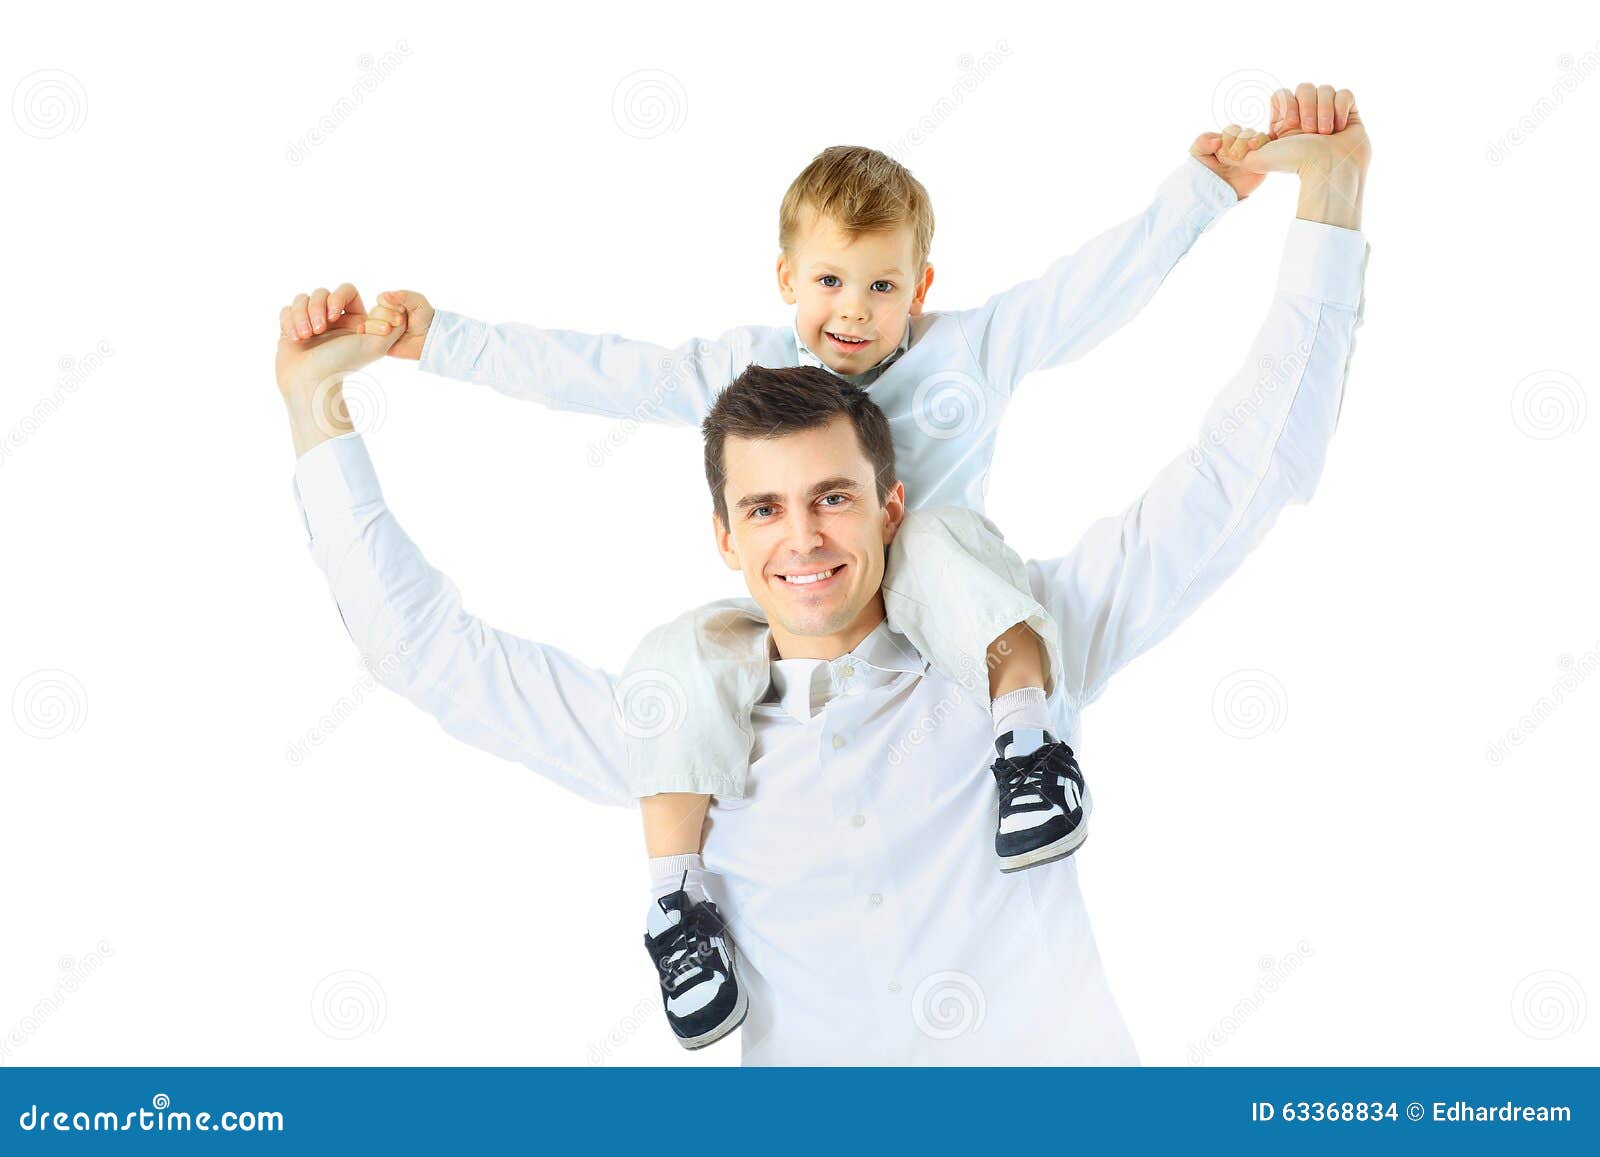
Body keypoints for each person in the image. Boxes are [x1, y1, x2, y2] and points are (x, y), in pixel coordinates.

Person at [275, 89, 1369, 1064]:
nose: (802, 536)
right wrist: (326, 402)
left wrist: (1321, 192)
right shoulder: (679, 733)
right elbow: (418, 646)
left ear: (891, 505)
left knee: (961, 564)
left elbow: (1248, 464)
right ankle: (676, 908)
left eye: (834, 497)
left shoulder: (1019, 642)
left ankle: (1029, 761)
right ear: (726, 538)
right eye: (764, 507)